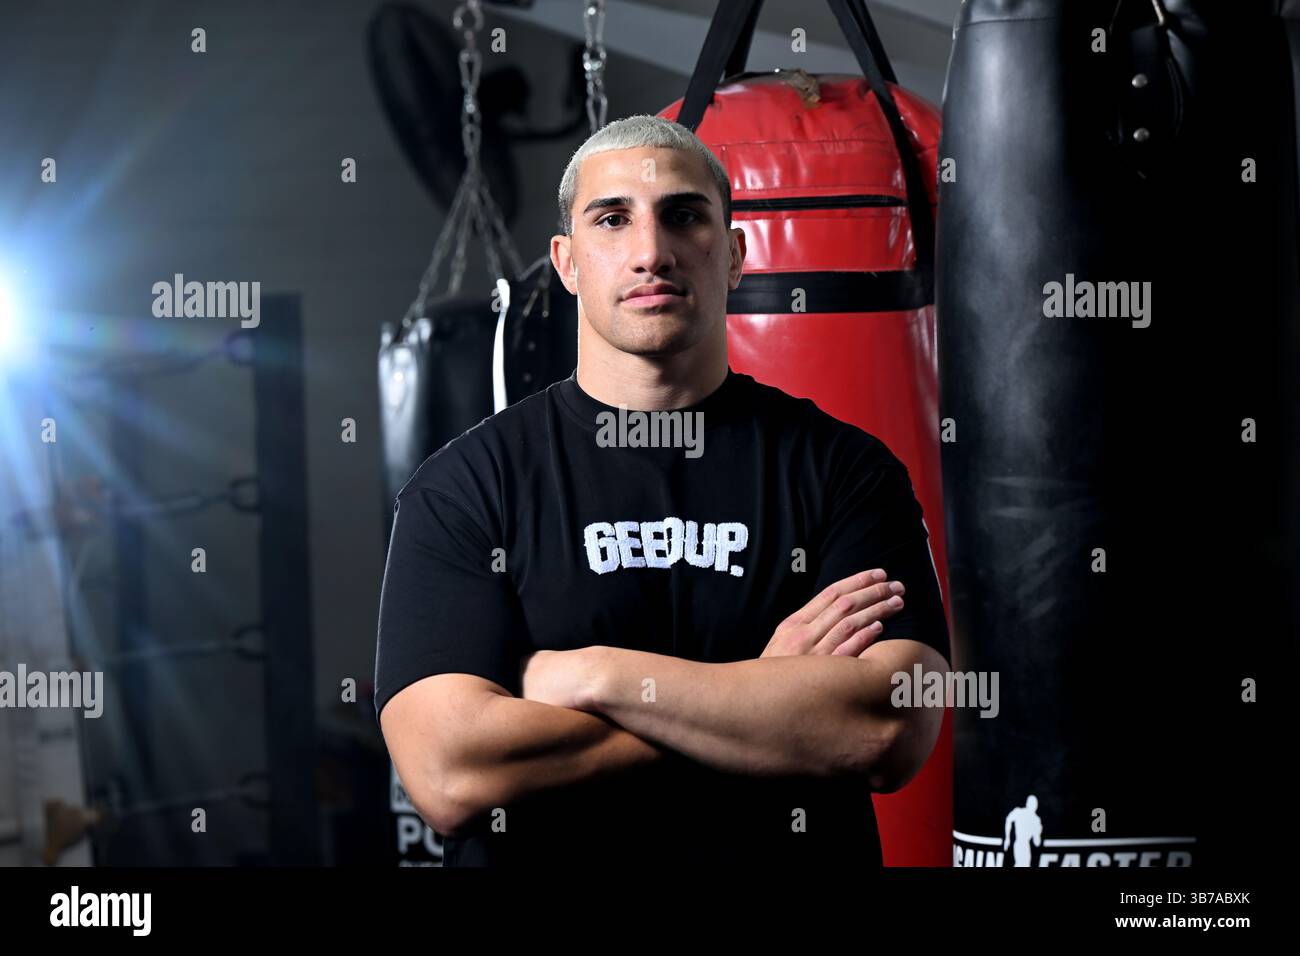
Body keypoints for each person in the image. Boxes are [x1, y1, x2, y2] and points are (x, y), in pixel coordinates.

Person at [375, 113, 949, 866]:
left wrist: (593, 676)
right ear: (567, 262)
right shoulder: (466, 488)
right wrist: (764, 694)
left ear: (736, 254)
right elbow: (450, 774)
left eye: (684, 215)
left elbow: (886, 728)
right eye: (612, 220)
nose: (651, 252)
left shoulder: (845, 470)